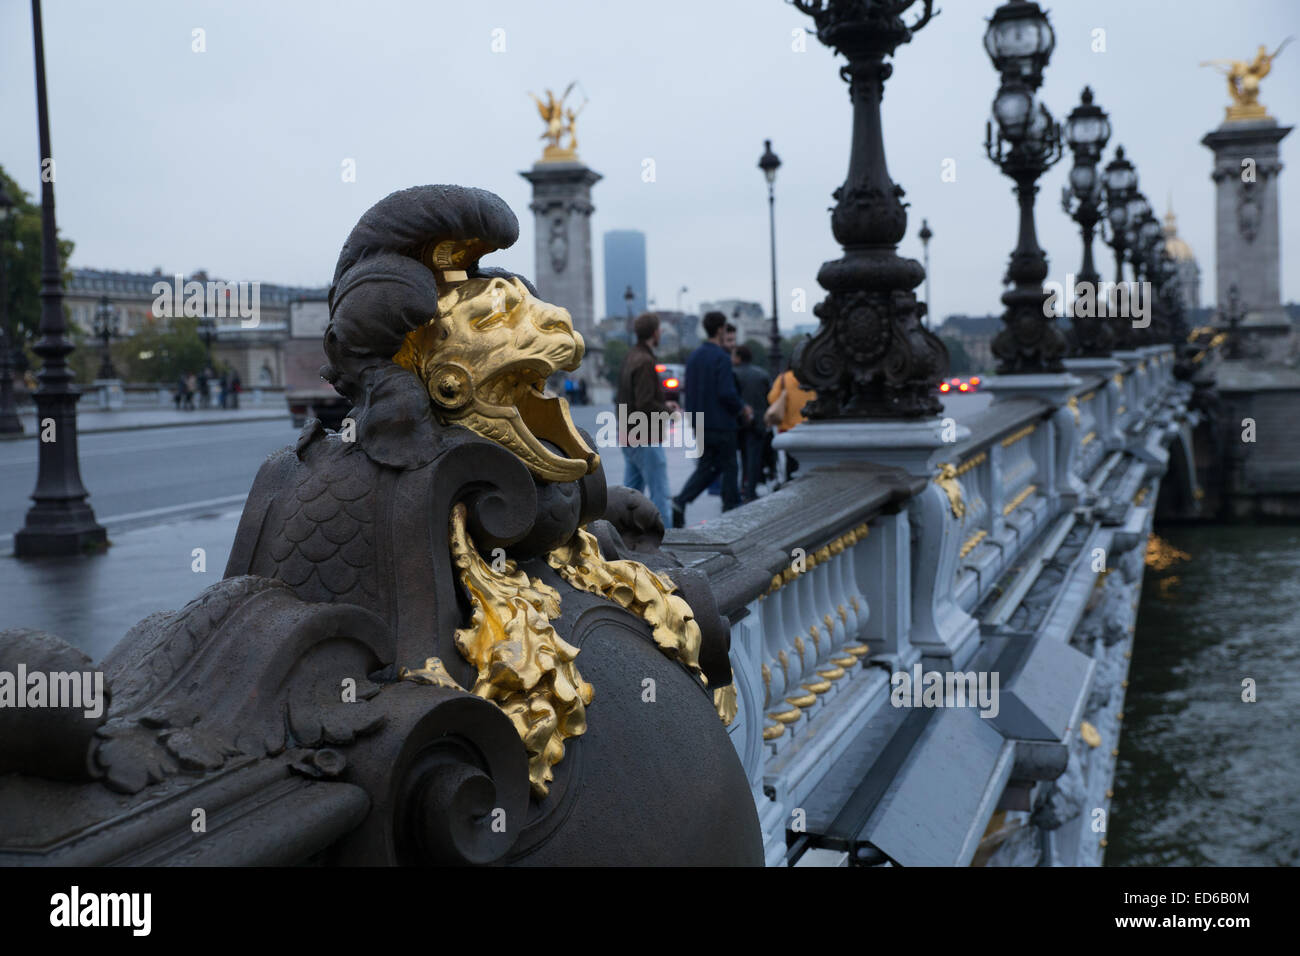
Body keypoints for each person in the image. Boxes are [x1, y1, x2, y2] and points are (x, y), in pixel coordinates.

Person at [671, 311, 750, 527]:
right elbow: (726, 392)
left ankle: (681, 501)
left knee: (707, 466)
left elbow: (689, 391)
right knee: (730, 465)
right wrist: (742, 409)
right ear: (720, 330)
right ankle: (731, 508)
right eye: (725, 329)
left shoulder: (694, 357)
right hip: (722, 423)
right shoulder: (722, 357)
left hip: (700, 422)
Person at [615, 312, 676, 520]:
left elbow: (630, 398)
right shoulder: (645, 361)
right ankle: (668, 542)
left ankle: (620, 538)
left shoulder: (630, 357)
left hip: (628, 434)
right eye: (659, 330)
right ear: (654, 333)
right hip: (646, 437)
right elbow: (645, 403)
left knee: (629, 498)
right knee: (661, 497)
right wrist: (669, 412)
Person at [732, 345, 771, 503]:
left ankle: (742, 486)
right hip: (758, 421)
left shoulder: (733, 373)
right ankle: (750, 490)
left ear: (739, 357)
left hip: (739, 421)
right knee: (754, 457)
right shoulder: (762, 374)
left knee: (741, 457)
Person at [766, 359, 815, 483]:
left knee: (791, 460)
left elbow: (772, 398)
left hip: (788, 427)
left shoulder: (783, 378)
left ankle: (790, 481)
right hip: (809, 425)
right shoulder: (812, 378)